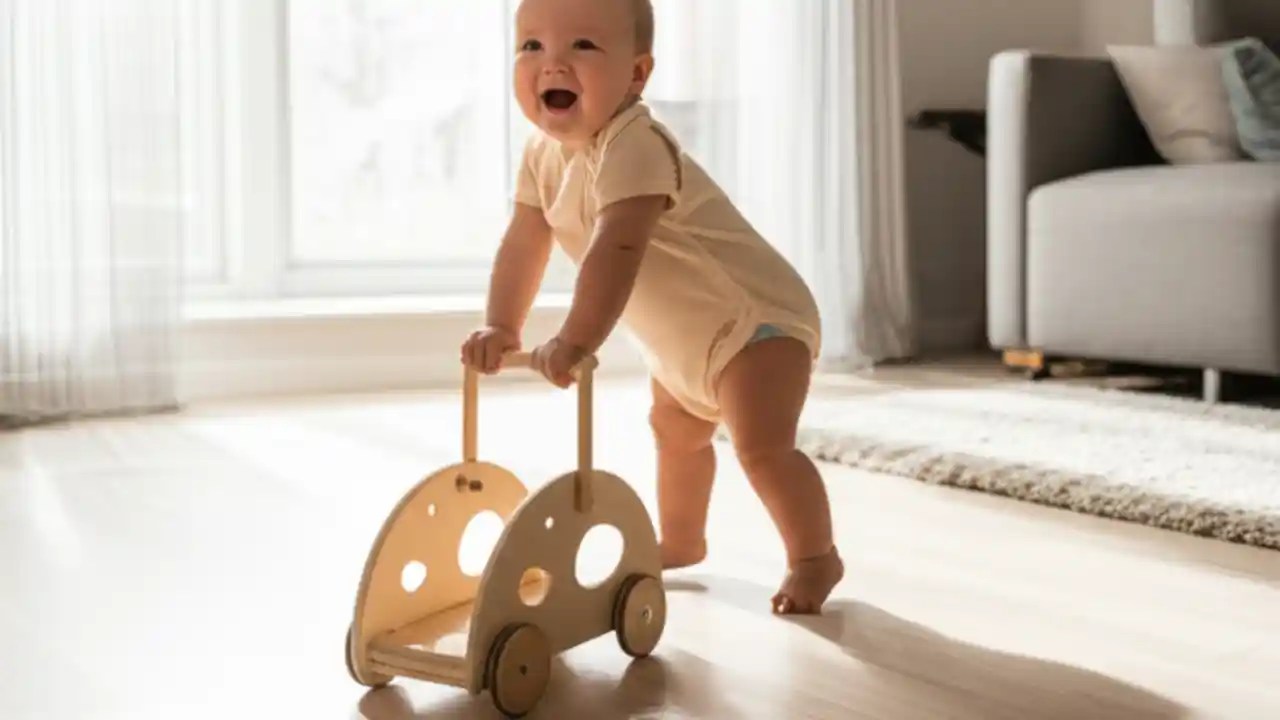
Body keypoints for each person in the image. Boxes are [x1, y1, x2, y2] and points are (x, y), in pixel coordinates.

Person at [460, 0, 843, 614]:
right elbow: (524, 242)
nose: (551, 62)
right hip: (685, 343)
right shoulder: (542, 154)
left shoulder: (635, 144)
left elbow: (618, 248)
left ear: (637, 75)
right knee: (676, 433)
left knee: (762, 448)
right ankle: (683, 541)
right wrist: (503, 324)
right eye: (531, 46)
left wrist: (576, 340)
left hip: (754, 322)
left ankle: (814, 557)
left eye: (582, 46)